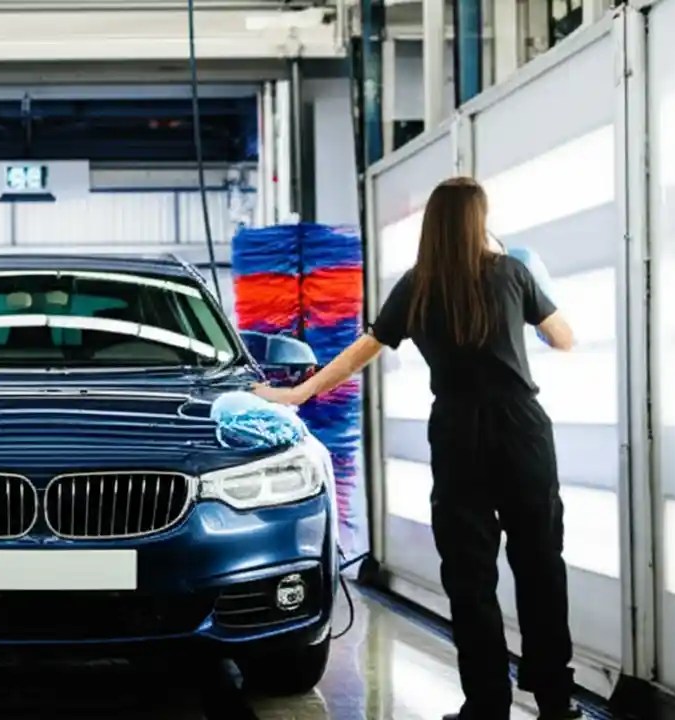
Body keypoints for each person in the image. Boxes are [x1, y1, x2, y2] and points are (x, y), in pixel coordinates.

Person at [253, 177, 579, 720]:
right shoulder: (512, 273)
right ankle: (555, 701)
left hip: (457, 435)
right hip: (522, 432)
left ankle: (487, 704)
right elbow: (564, 338)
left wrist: (297, 392)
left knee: (469, 574)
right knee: (541, 564)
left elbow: (359, 354)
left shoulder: (417, 286)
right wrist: (530, 274)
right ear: (480, 220)